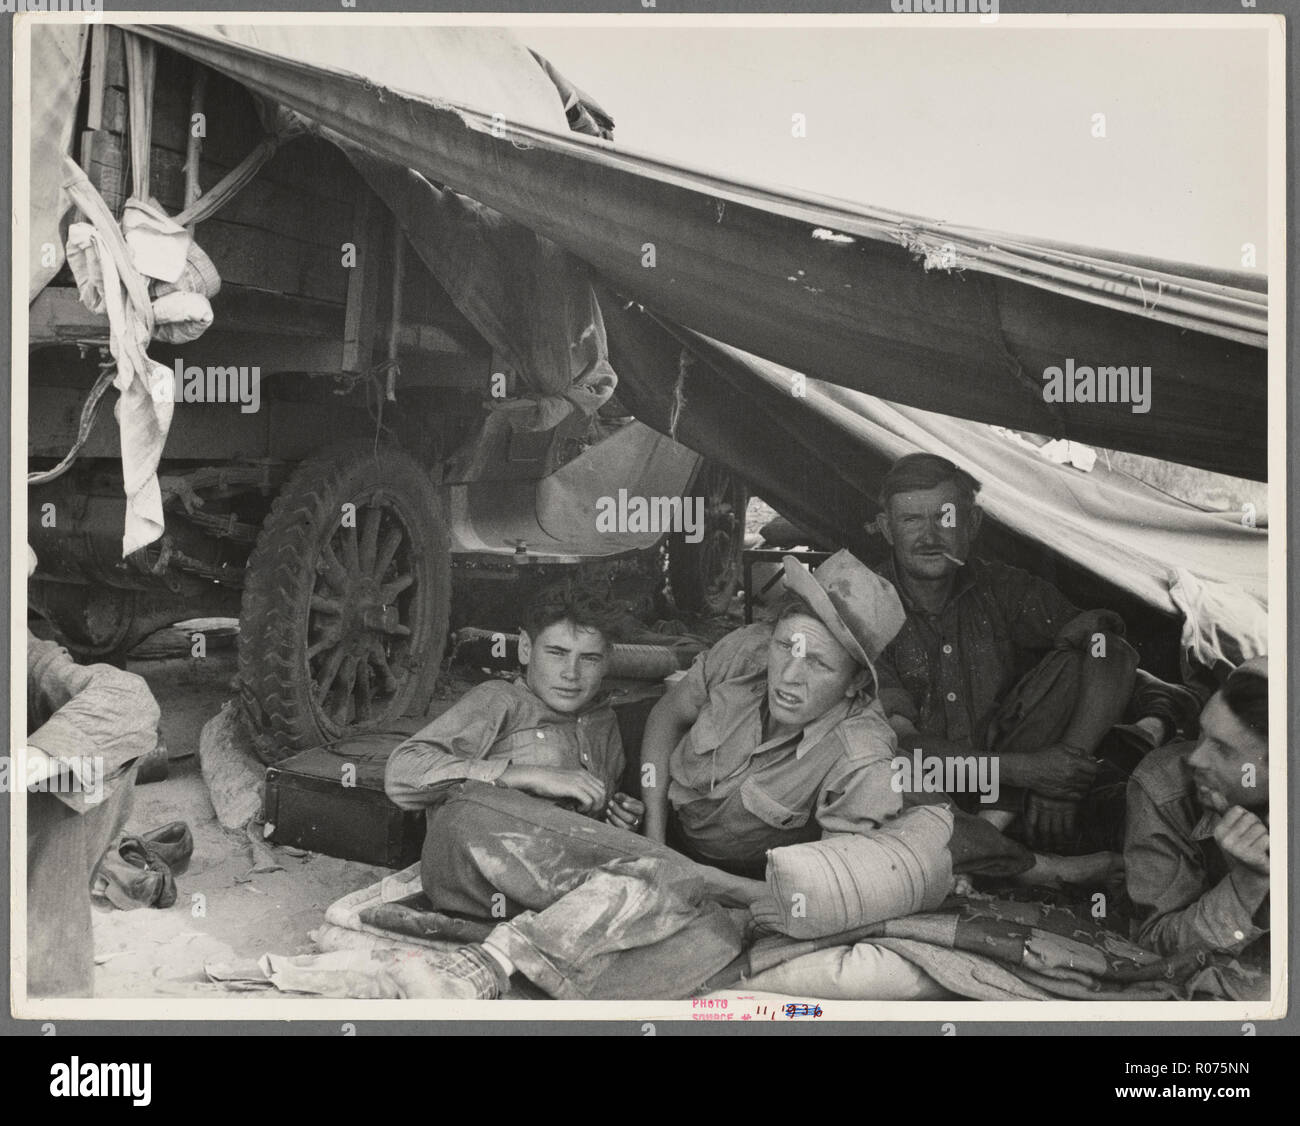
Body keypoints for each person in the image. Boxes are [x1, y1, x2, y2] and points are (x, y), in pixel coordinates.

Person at [381, 551, 911, 1000]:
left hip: (557, 877)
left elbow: (578, 835)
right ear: (525, 649)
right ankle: (520, 953)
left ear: (853, 685)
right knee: (481, 811)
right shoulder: (500, 699)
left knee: (712, 936)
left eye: (818, 664)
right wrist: (524, 774)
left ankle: (496, 973)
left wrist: (609, 812)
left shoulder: (603, 720)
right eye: (785, 648)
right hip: (476, 850)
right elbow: (403, 777)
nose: (571, 673)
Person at [871, 453, 1199, 880]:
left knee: (1082, 665)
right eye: (912, 520)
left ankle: (997, 851)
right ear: (886, 530)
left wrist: (1067, 768)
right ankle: (1014, 860)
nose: (930, 536)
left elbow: (1110, 648)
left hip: (1030, 800)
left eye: (946, 517)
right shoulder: (868, 606)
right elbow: (907, 750)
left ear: (973, 524)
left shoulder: (1004, 588)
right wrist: (1032, 771)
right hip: (922, 797)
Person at [25, 546, 159, 997]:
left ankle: (48, 989)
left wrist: (35, 762)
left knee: (82, 772)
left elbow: (127, 699)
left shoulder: (23, 655)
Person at [1125, 658, 1269, 964]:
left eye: (1223, 750)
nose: (1196, 758)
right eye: (1202, 733)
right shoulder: (1161, 785)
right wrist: (1246, 886)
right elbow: (1155, 940)